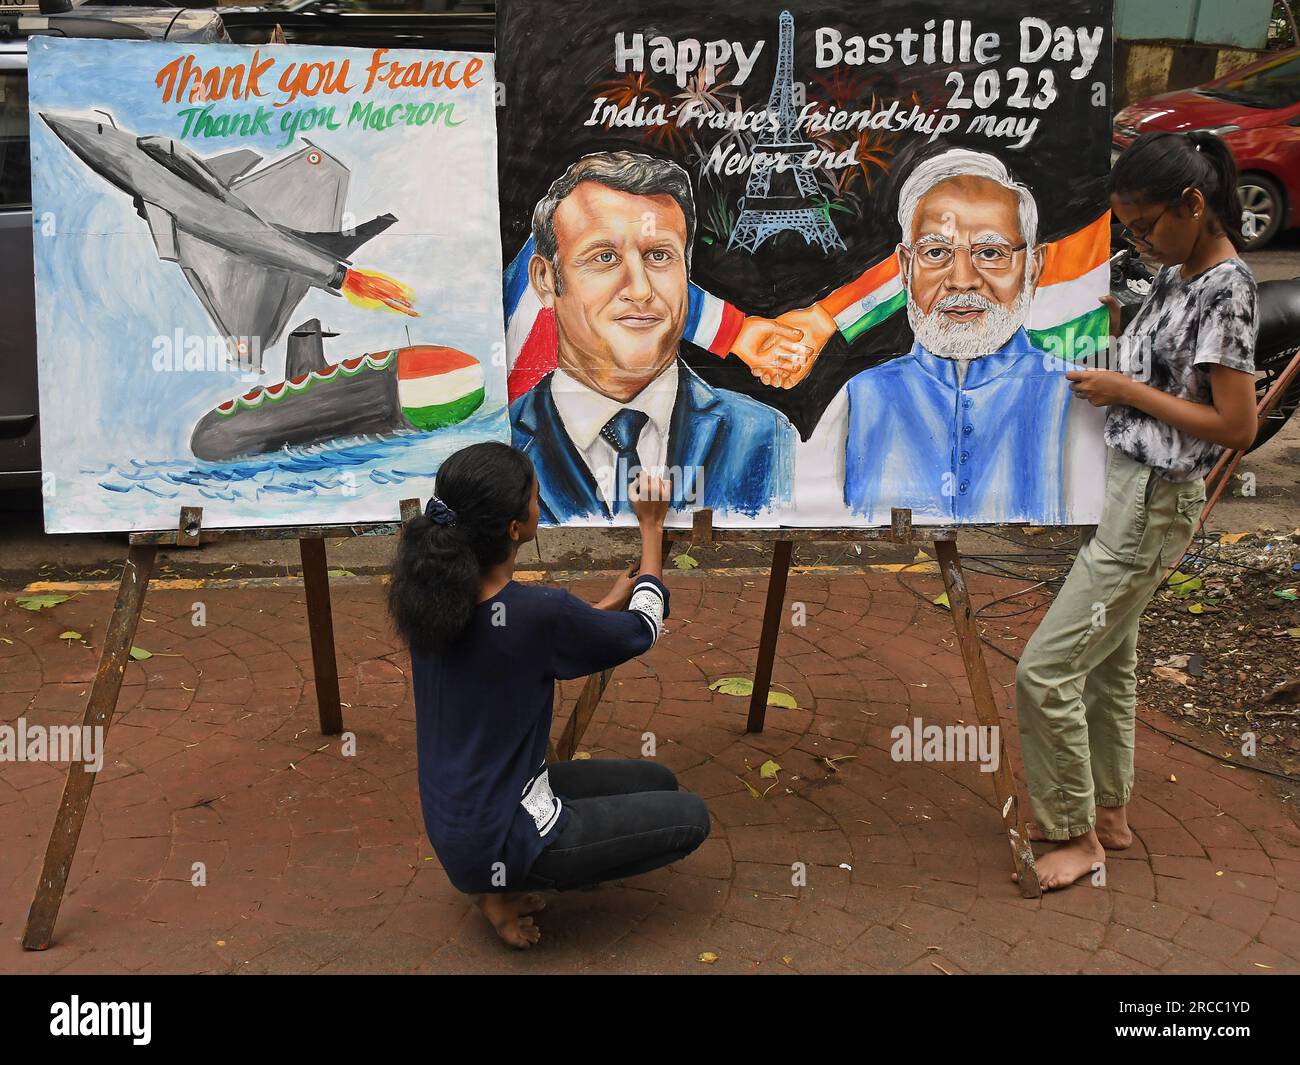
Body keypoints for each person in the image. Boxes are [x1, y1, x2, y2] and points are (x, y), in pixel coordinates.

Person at [1015, 131, 1259, 890]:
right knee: (1107, 663)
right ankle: (1110, 812)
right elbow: (1161, 363)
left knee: (1045, 670)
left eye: (1148, 225)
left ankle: (1072, 832)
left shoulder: (1226, 287)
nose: (1141, 241)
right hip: (1127, 490)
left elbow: (1237, 425)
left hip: (1154, 502)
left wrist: (1126, 392)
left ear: (1194, 204)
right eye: (1130, 230)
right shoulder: (1179, 274)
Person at [388, 441, 711, 946]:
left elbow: (520, 642)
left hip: (458, 823)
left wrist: (600, 605)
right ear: (515, 528)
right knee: (691, 817)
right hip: (502, 831)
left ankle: (492, 886)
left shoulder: (430, 595)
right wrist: (651, 528)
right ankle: (507, 883)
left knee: (658, 779)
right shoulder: (536, 614)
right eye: (536, 498)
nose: (541, 506)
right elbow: (643, 628)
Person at [793, 148, 1098, 525]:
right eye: (936, 252)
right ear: (906, 268)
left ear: (1032, 268)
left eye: (990, 253)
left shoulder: (1072, 398)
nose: (962, 279)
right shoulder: (859, 400)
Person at [509, 151, 796, 522]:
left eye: (659, 255)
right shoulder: (504, 442)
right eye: (605, 258)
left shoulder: (766, 439)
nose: (641, 289)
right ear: (545, 280)